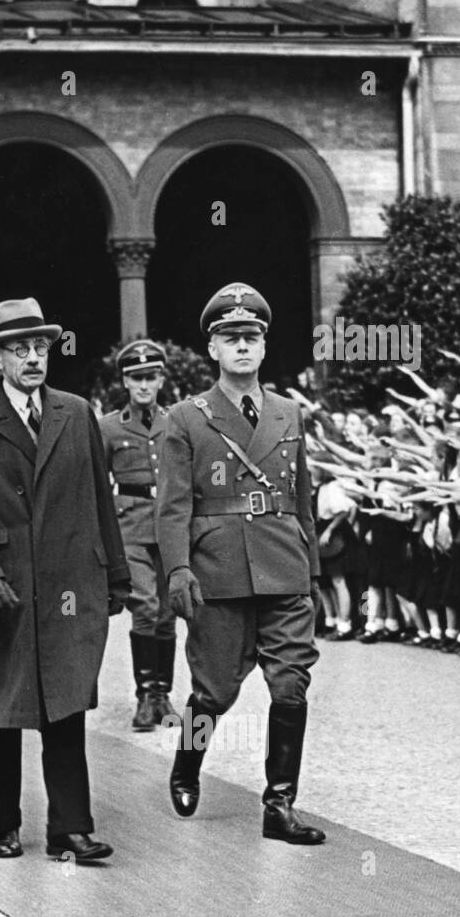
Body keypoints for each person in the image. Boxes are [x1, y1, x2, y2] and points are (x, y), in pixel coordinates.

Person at [0, 298, 129, 863]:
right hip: (3, 589)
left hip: (71, 584)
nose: (32, 358)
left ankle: (70, 827)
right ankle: (4, 823)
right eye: (19, 349)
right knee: (2, 705)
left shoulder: (77, 414)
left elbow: (101, 498)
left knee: (65, 704)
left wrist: (116, 576)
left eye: (40, 347)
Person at [156, 282, 326, 846]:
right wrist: (178, 570)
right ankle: (187, 763)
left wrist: (315, 572)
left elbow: (303, 500)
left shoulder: (289, 412)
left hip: (283, 564)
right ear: (213, 349)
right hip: (219, 569)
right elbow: (173, 506)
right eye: (231, 338)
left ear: (264, 345)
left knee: (291, 686)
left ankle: (279, 805)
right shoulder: (186, 417)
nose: (243, 347)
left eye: (252, 337)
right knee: (213, 692)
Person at [100, 340, 179, 732]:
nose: (144, 385)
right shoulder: (109, 427)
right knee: (144, 605)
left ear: (161, 379)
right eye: (136, 378)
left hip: (169, 524)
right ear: (125, 382)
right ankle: (145, 694)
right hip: (128, 525)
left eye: (150, 377)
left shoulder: (177, 422)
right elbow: (98, 483)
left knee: (167, 613)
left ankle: (163, 694)